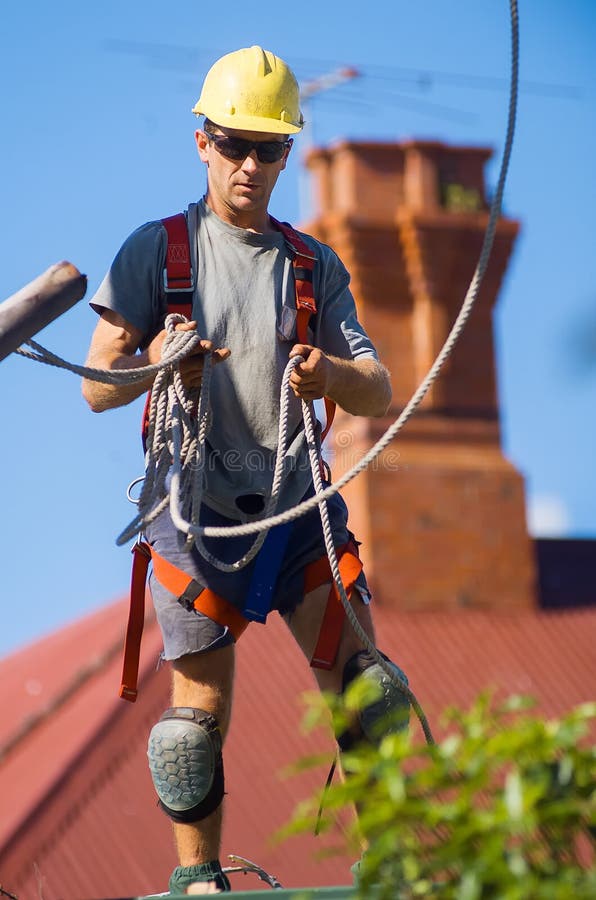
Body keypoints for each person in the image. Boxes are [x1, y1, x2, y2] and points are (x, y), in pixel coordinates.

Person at [83, 45, 408, 896]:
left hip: (298, 511)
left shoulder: (311, 266)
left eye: (268, 149)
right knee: (194, 729)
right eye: (234, 144)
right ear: (203, 141)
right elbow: (94, 386)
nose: (250, 165)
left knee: (368, 694)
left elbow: (376, 386)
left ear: (288, 154)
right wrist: (159, 360)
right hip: (196, 522)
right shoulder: (158, 253)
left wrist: (327, 375)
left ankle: (395, 866)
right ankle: (199, 882)